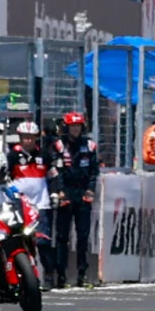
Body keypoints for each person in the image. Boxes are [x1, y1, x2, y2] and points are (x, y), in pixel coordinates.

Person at [48, 111, 100, 289]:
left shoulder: (90, 145)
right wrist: (60, 190)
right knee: (62, 236)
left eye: (78, 126)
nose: (75, 129)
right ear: (66, 127)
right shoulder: (58, 145)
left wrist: (90, 190)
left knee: (83, 236)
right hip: (66, 192)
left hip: (83, 193)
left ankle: (82, 274)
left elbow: (94, 171)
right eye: (72, 126)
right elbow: (55, 170)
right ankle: (61, 276)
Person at [6, 120, 54, 281]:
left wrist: (56, 192)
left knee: (42, 241)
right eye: (25, 137)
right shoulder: (12, 156)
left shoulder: (44, 156)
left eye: (31, 137)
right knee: (20, 240)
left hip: (41, 204)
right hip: (19, 205)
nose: (28, 141)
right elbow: (5, 179)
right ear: (20, 138)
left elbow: (53, 176)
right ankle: (24, 275)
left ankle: (49, 275)